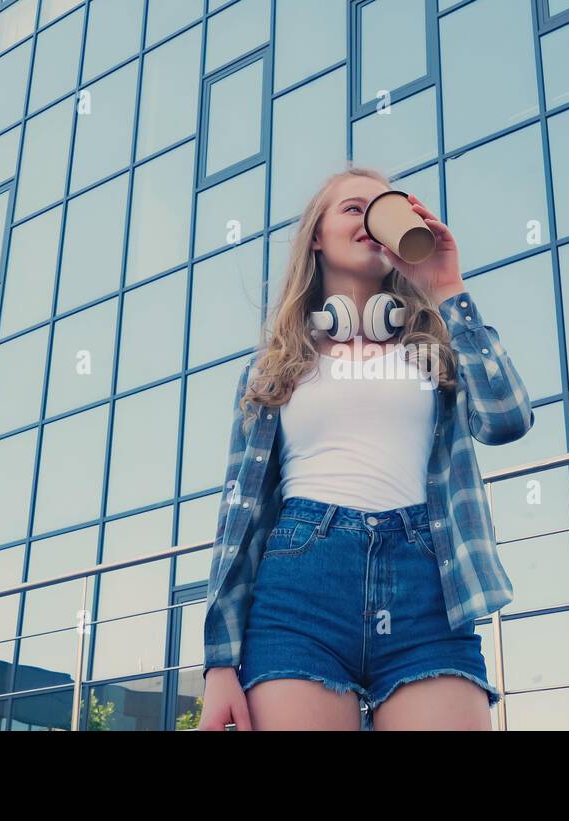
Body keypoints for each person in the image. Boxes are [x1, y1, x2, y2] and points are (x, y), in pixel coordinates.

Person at [198, 166, 534, 730]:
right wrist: (219, 663)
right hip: (299, 589)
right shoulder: (271, 370)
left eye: (385, 211)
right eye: (355, 209)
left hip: (427, 589)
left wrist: (448, 288)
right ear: (316, 236)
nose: (372, 220)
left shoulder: (435, 348)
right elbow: (241, 517)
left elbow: (506, 419)